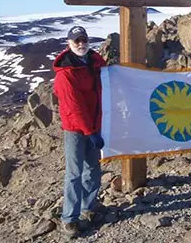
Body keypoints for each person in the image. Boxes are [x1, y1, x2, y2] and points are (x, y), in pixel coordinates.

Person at [53, 26, 107, 238]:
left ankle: (89, 208)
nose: (81, 44)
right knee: (75, 173)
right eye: (76, 41)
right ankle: (69, 219)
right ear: (69, 43)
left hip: (94, 124)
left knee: (92, 169)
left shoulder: (94, 62)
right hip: (75, 129)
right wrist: (90, 132)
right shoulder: (66, 74)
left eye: (84, 40)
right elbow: (74, 107)